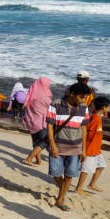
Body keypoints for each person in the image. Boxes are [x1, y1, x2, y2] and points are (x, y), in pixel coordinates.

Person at [46, 82, 91, 212]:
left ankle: (60, 200)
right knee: (55, 172)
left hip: (75, 147)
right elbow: (49, 126)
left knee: (70, 174)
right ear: (72, 94)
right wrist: (53, 146)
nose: (83, 100)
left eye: (85, 98)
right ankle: (63, 191)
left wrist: (84, 149)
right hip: (57, 145)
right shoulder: (56, 104)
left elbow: (83, 128)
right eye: (81, 97)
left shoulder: (84, 108)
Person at [75, 96, 110, 195]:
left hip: (96, 149)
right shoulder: (95, 118)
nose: (109, 109)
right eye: (108, 107)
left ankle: (92, 184)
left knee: (101, 165)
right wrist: (84, 149)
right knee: (85, 169)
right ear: (104, 107)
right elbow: (86, 132)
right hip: (90, 148)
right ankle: (79, 188)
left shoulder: (97, 117)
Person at [22, 77, 52, 167]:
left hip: (31, 122)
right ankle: (29, 158)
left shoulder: (31, 95)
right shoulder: (46, 98)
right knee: (44, 142)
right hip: (41, 123)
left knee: (36, 142)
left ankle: (38, 160)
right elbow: (51, 109)